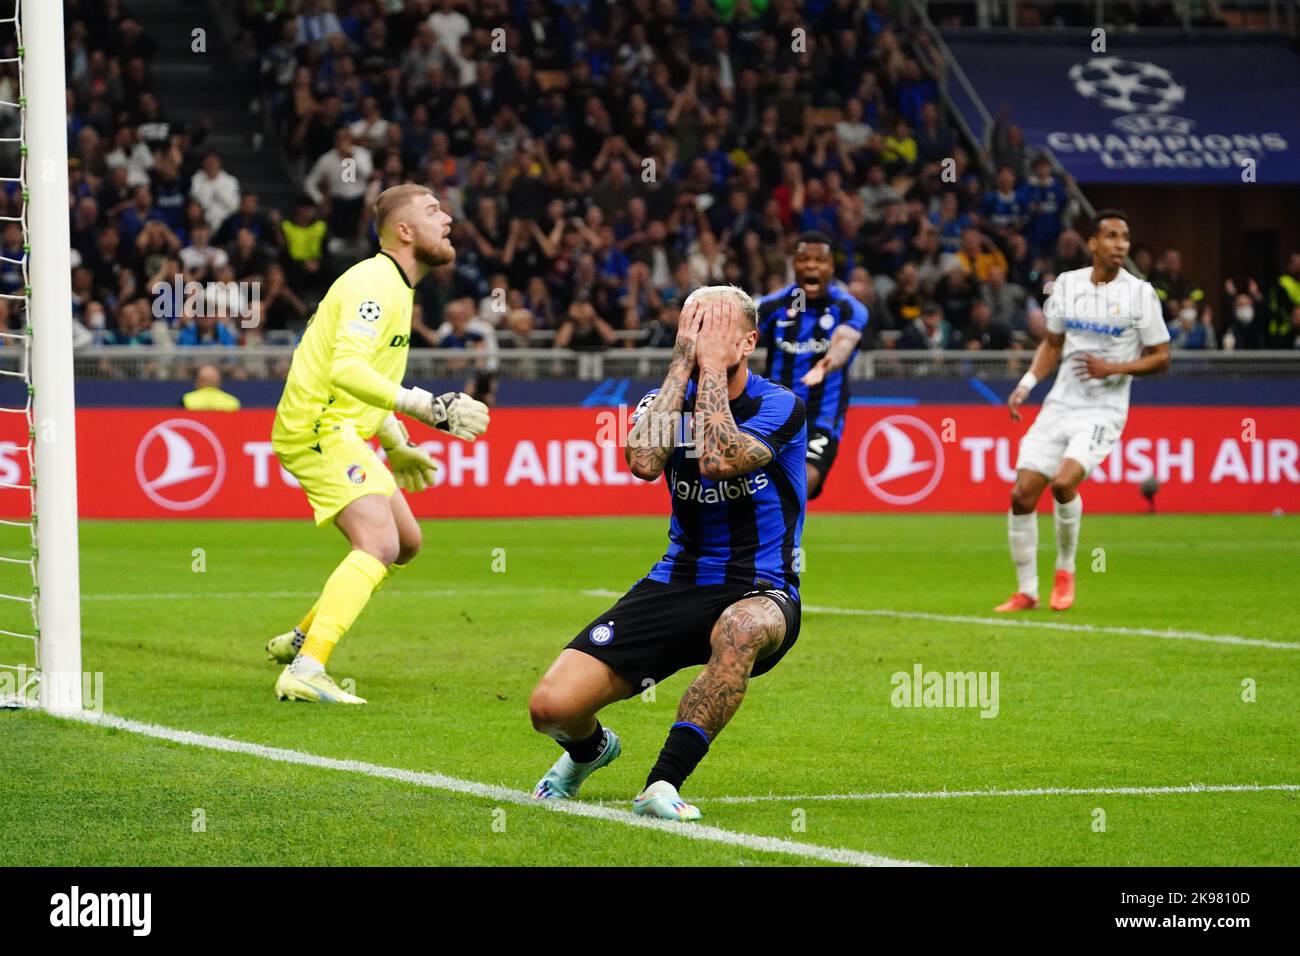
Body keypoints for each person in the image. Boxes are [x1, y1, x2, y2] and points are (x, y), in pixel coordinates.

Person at [527, 287, 807, 821]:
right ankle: (591, 751)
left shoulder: (781, 405)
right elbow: (643, 461)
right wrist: (683, 367)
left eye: (712, 328)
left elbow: (720, 460)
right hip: (676, 579)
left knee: (740, 630)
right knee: (551, 709)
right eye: (690, 327)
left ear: (747, 342)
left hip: (761, 586)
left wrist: (712, 372)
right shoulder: (663, 399)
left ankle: (662, 783)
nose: (699, 339)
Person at [265, 184, 490, 704]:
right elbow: (345, 370)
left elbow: (369, 378)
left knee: (406, 543)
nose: (448, 219)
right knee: (380, 545)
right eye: (434, 211)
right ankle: (307, 666)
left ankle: (301, 636)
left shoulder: (394, 286)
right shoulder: (375, 284)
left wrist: (395, 441)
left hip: (343, 427)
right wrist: (428, 408)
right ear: (404, 230)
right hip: (318, 427)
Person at [999, 210, 1170, 613]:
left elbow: (1161, 357)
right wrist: (1026, 384)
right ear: (1092, 243)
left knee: (1062, 483)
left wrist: (1115, 368)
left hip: (1104, 409)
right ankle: (1026, 590)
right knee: (1021, 494)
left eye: (1125, 237)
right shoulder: (1067, 286)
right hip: (1061, 403)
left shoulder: (1140, 294)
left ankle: (1065, 570)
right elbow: (1053, 344)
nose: (1121, 245)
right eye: (1111, 236)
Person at [756, 231, 868, 499]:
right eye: (804, 259)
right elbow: (736, 335)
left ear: (831, 267)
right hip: (774, 411)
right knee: (755, 482)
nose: (811, 266)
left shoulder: (849, 308)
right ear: (794, 264)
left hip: (822, 415)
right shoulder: (771, 306)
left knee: (804, 480)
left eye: (820, 260)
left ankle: (783, 540)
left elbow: (843, 344)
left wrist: (825, 365)